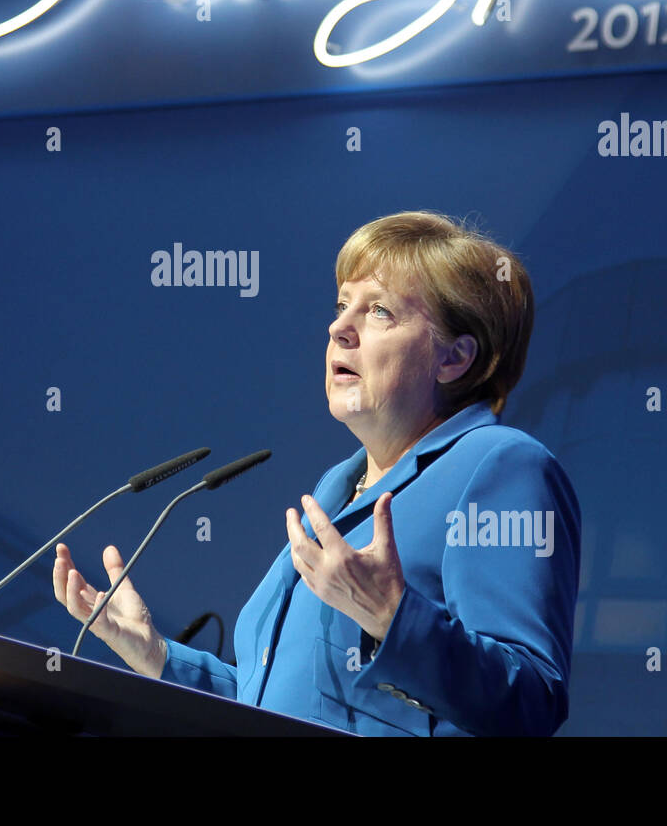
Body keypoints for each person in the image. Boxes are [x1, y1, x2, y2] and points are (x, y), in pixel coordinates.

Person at [54, 211, 581, 736]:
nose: (337, 328)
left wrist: (393, 616)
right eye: (340, 306)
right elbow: (271, 704)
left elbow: (532, 700)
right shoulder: (335, 490)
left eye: (378, 311)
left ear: (455, 357)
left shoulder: (500, 466)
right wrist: (155, 653)